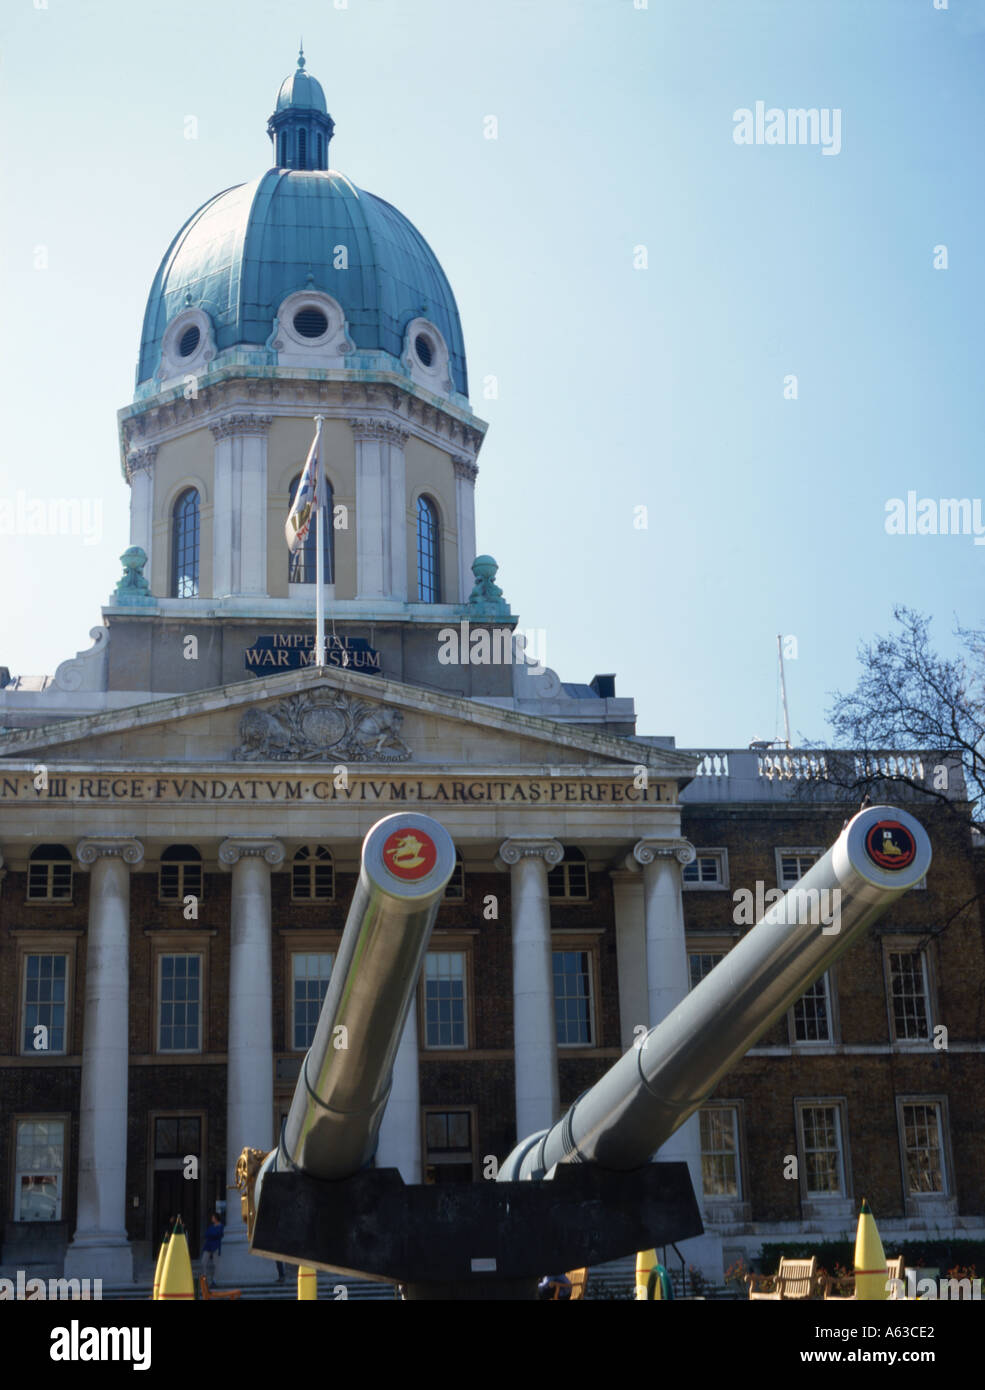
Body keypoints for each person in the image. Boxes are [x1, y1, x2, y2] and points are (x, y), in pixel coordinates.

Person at [202, 1212, 224, 1287]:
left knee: (216, 1264)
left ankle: (214, 1281)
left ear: (216, 1218)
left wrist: (212, 1235)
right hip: (208, 1246)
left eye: (213, 1217)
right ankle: (205, 1280)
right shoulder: (211, 1227)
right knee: (203, 1262)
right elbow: (206, 1234)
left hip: (216, 1246)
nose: (212, 1219)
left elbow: (217, 1234)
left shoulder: (220, 1226)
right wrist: (212, 1235)